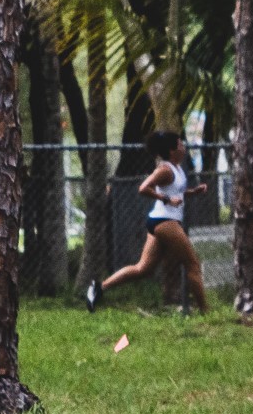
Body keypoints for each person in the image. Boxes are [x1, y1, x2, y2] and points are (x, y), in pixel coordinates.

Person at [86, 132, 210, 314]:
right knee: (192, 264)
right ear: (171, 150)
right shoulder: (165, 170)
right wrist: (165, 199)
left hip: (160, 221)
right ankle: (205, 312)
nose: (184, 148)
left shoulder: (176, 168)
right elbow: (144, 188)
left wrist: (193, 192)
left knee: (143, 268)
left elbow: (176, 193)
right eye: (180, 145)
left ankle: (99, 287)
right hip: (164, 221)